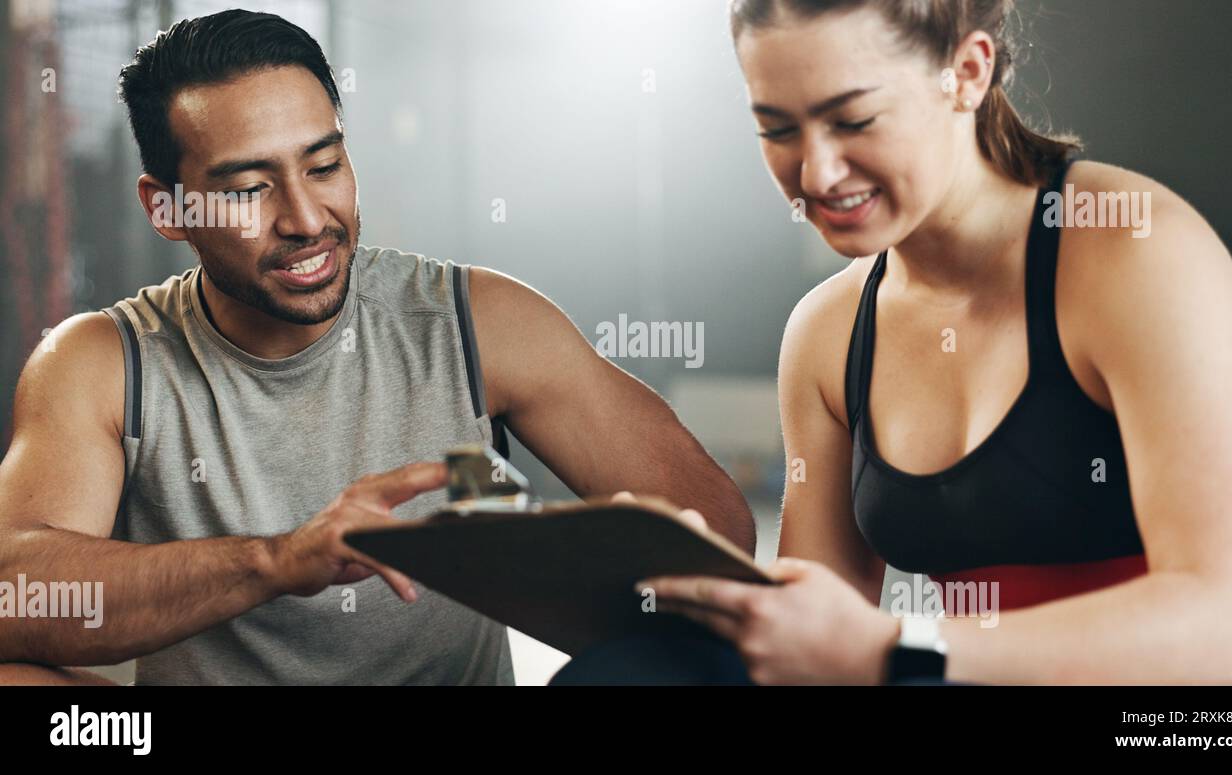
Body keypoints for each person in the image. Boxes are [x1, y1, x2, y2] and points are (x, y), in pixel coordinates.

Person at [0, 9, 754, 686]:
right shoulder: (101, 361)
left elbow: (722, 531)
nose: (304, 217)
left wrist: (526, 550)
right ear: (166, 207)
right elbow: (14, 594)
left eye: (324, 166)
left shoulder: (474, 319)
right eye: (248, 189)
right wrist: (276, 560)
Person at [559, 0, 1232, 685]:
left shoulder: (1132, 250)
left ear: (968, 73)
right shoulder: (827, 331)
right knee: (625, 671)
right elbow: (814, 640)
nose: (815, 172)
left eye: (854, 120)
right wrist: (685, 589)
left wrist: (904, 648)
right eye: (779, 129)